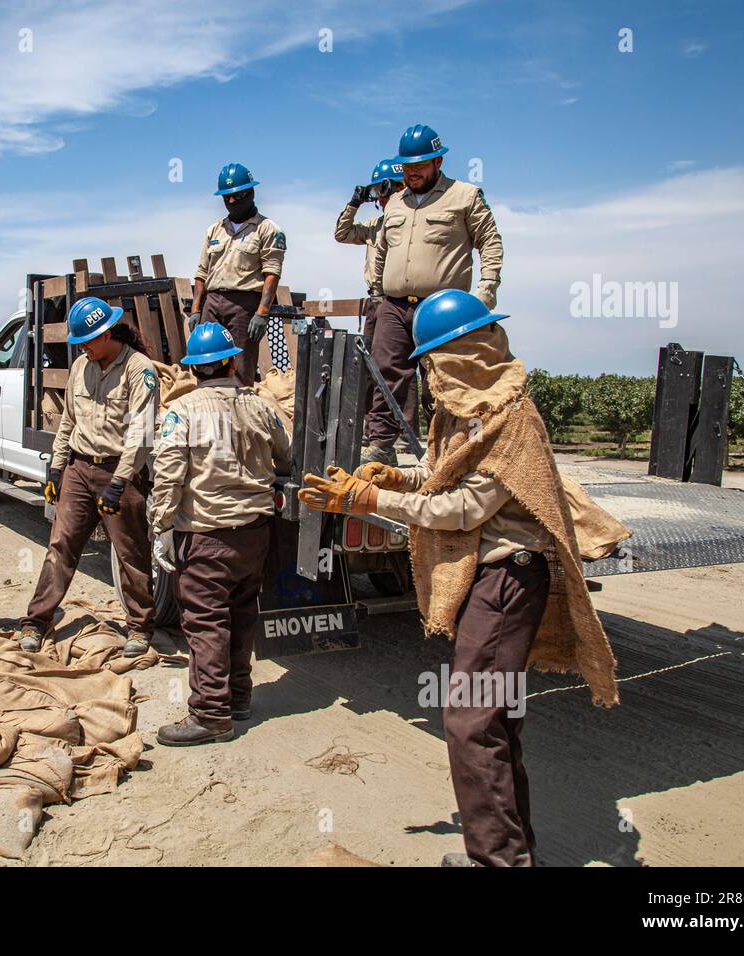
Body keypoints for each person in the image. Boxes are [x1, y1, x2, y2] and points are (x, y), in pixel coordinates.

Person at [298, 290, 624, 867]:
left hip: (506, 582)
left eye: (433, 358)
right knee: (496, 719)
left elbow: (464, 508)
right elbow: (443, 473)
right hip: (491, 580)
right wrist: (394, 478)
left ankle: (499, 861)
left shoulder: (510, 417)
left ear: (465, 352)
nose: (428, 372)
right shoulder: (466, 411)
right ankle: (511, 851)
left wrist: (369, 500)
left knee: (472, 722)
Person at [149, 323, 291, 746]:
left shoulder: (183, 411)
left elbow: (168, 474)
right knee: (243, 614)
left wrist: (160, 528)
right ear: (230, 361)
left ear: (194, 369)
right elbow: (286, 454)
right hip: (255, 534)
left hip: (206, 536)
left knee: (206, 622)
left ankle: (211, 715)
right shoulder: (262, 407)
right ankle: (238, 698)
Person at [20, 295, 160, 657]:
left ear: (109, 332)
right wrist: (56, 466)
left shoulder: (138, 369)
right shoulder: (80, 367)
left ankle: (140, 629)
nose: (84, 347)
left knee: (130, 552)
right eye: (80, 342)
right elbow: (68, 420)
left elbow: (141, 433)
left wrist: (120, 482)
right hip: (79, 469)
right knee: (61, 546)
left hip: (120, 472)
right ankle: (36, 622)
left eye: (89, 340)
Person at [366, 125, 503, 464]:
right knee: (386, 372)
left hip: (442, 308)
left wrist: (487, 288)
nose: (412, 173)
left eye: (420, 166)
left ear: (438, 161)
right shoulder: (395, 202)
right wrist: (377, 289)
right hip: (395, 306)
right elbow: (381, 248)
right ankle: (382, 446)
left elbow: (490, 241)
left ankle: (448, 447)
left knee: (443, 378)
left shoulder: (464, 196)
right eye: (407, 168)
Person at [187, 162, 287, 387]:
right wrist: (196, 310)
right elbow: (202, 273)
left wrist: (262, 313)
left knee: (240, 368)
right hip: (212, 304)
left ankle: (239, 415)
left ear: (250, 192)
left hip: (243, 306)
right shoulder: (214, 230)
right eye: (226, 197)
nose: (231, 201)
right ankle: (207, 410)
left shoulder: (268, 229)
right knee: (205, 362)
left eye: (237, 195)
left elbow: (272, 273)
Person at [335, 158, 405, 437]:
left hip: (399, 298)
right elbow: (342, 234)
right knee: (368, 363)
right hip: (377, 301)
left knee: (400, 368)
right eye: (377, 192)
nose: (381, 197)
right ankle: (372, 429)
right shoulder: (375, 224)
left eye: (384, 190)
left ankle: (403, 429)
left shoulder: (410, 222)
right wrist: (355, 203)